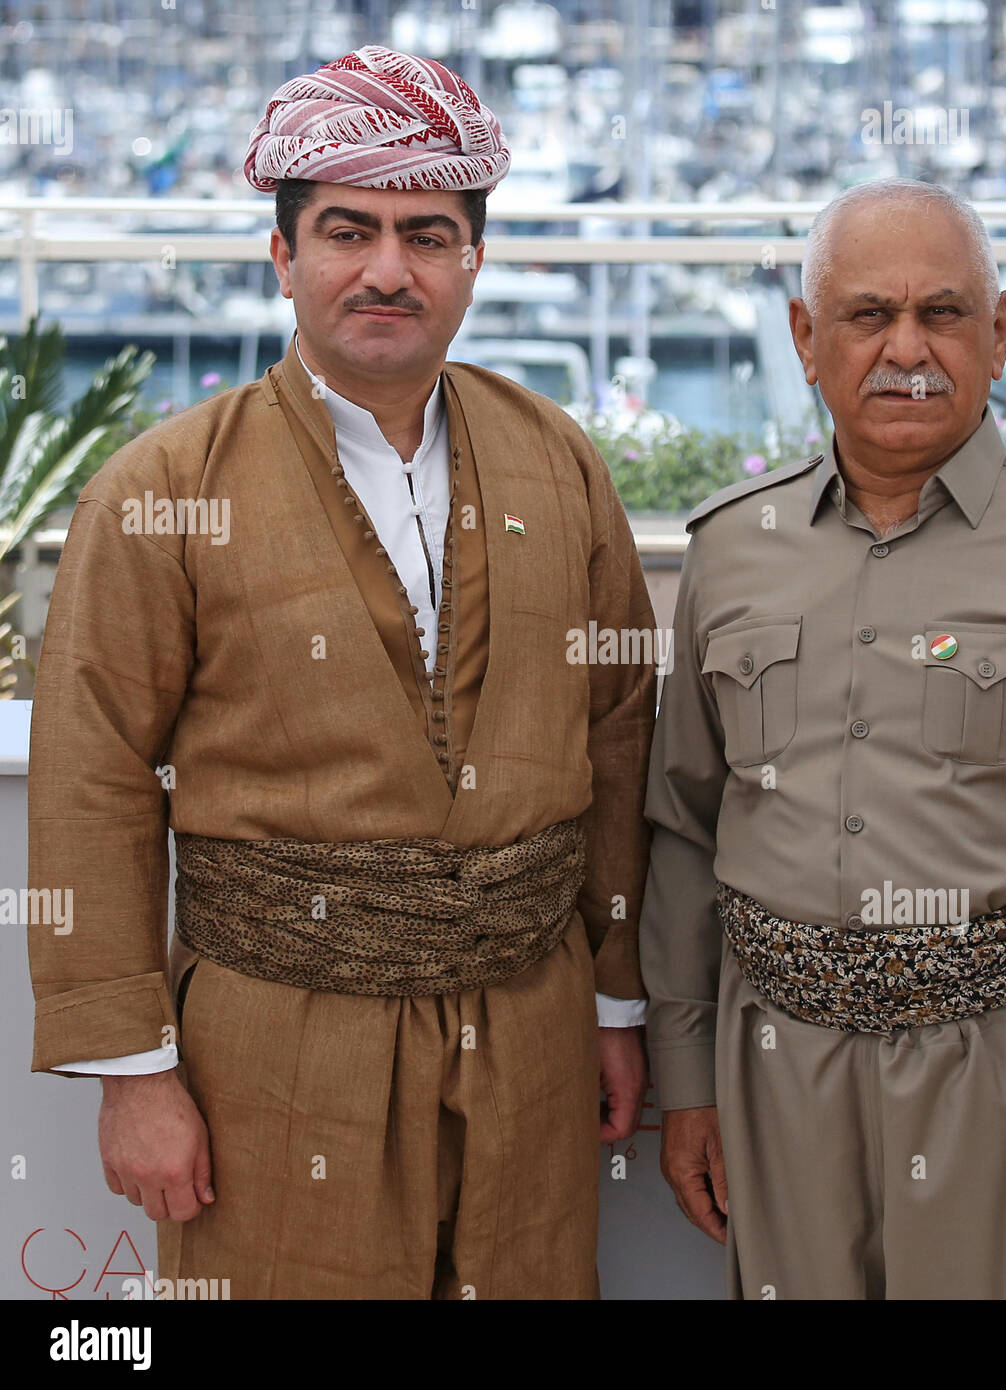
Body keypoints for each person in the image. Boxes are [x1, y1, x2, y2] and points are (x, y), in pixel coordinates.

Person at [26, 46, 655, 1300]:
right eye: (346, 231)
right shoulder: (164, 491)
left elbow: (619, 737)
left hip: (528, 1038)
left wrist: (615, 1005)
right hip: (273, 1051)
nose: (386, 269)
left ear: (473, 258)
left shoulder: (558, 461)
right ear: (283, 256)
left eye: (427, 233)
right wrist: (136, 1075)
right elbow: (90, 773)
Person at [639, 178, 1006, 1299]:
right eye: (868, 315)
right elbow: (682, 827)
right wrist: (690, 1083)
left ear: (1000, 332)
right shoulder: (732, 550)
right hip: (784, 1079)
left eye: (944, 313)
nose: (906, 348)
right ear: (806, 338)